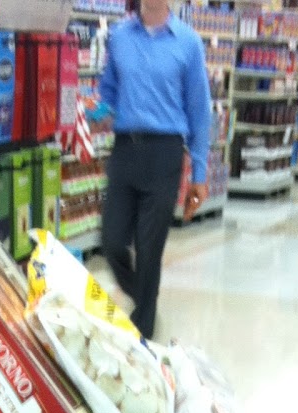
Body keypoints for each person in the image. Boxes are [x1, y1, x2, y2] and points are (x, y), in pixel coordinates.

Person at [99, 0, 212, 339]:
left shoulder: (188, 43)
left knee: (150, 247)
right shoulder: (118, 37)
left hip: (165, 154)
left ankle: (143, 332)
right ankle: (144, 296)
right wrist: (96, 110)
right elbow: (108, 93)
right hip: (125, 150)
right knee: (112, 240)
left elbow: (199, 110)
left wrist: (200, 175)